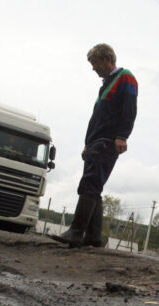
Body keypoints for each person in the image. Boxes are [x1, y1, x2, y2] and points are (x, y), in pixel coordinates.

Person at [51, 43, 138, 247]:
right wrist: (88, 144)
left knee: (89, 183)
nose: (93, 68)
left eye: (95, 63)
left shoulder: (125, 77)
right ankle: (93, 237)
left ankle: (76, 231)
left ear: (107, 58)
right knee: (94, 186)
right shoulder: (106, 84)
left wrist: (122, 136)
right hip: (97, 142)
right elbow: (97, 118)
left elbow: (130, 109)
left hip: (108, 140)